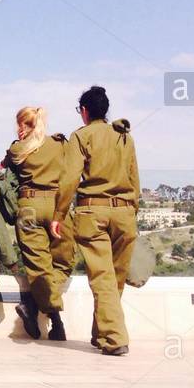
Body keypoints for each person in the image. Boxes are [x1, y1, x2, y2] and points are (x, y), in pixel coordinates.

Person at [56, 86, 140, 356]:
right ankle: (101, 334)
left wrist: (59, 214)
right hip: (125, 213)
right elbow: (134, 178)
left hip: (93, 213)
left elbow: (69, 179)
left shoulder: (81, 136)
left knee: (103, 279)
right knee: (115, 279)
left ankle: (114, 338)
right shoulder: (124, 136)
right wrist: (131, 211)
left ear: (84, 111)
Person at [2, 107, 71, 341]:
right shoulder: (60, 145)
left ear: (23, 125)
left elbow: (4, 173)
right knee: (62, 263)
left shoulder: (18, 149)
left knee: (39, 267)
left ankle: (37, 309)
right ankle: (52, 319)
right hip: (56, 207)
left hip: (29, 206)